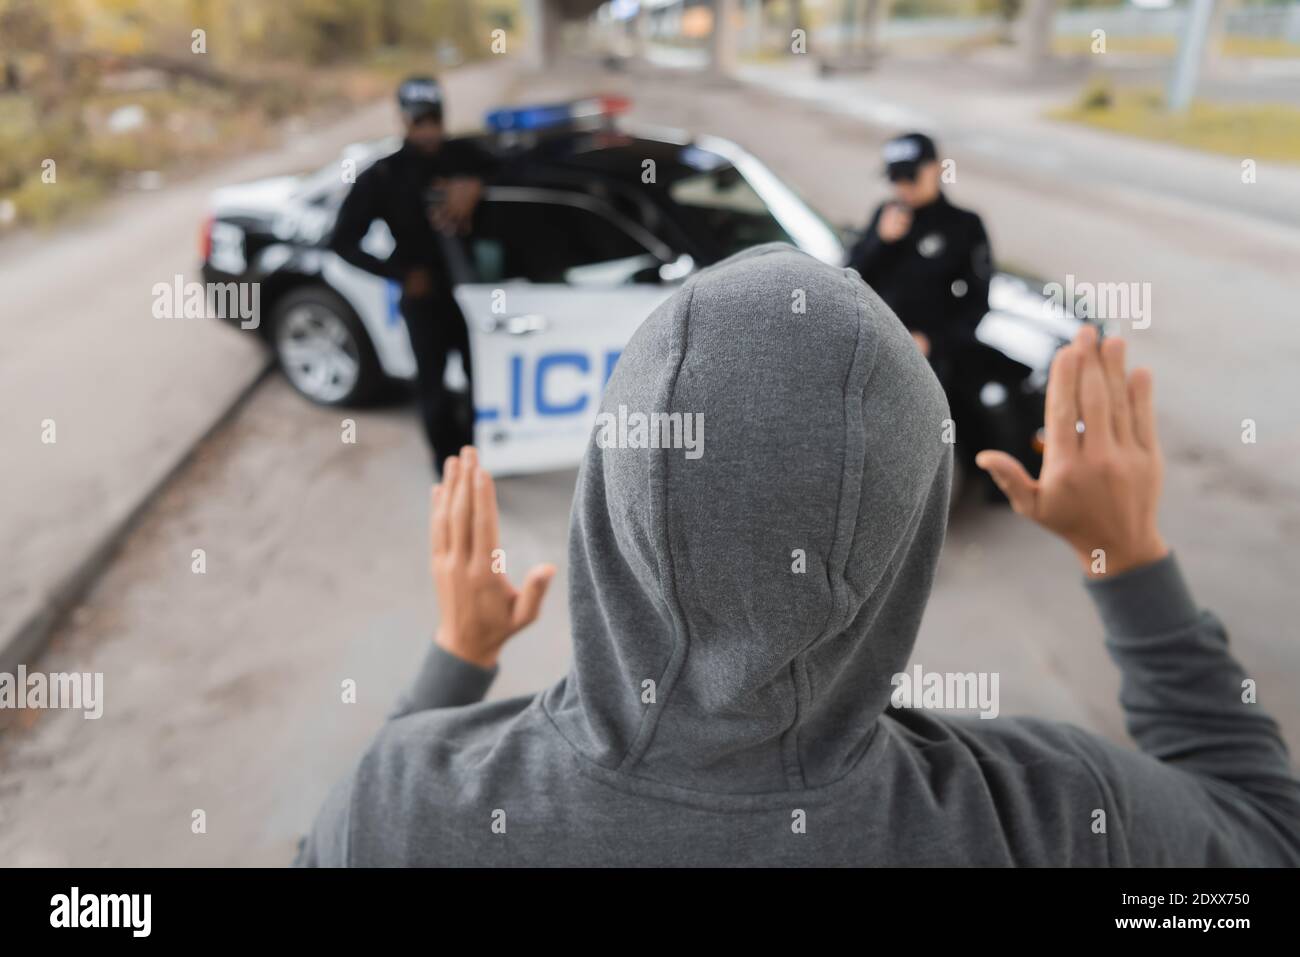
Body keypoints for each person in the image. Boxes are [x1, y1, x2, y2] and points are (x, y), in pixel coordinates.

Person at [296, 245, 1299, 866]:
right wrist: (1127, 561)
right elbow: (1265, 835)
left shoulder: (404, 803)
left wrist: (451, 667)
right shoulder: (1051, 813)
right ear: (905, 548)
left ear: (607, 493)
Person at [329, 76, 497, 475]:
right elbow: (342, 240)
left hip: (479, 293)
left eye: (434, 118)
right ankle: (448, 464)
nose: (428, 128)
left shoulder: (466, 156)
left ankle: (484, 451)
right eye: (419, 119)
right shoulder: (384, 176)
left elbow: (520, 167)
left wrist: (477, 183)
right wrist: (399, 274)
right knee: (433, 387)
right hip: (425, 297)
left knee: (486, 379)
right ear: (403, 120)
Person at [846, 132, 993, 391]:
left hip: (929, 365)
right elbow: (848, 277)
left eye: (911, 176)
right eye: (896, 178)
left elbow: (977, 304)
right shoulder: (885, 214)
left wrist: (932, 342)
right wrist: (879, 240)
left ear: (935, 169)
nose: (903, 187)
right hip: (875, 352)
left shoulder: (964, 225)